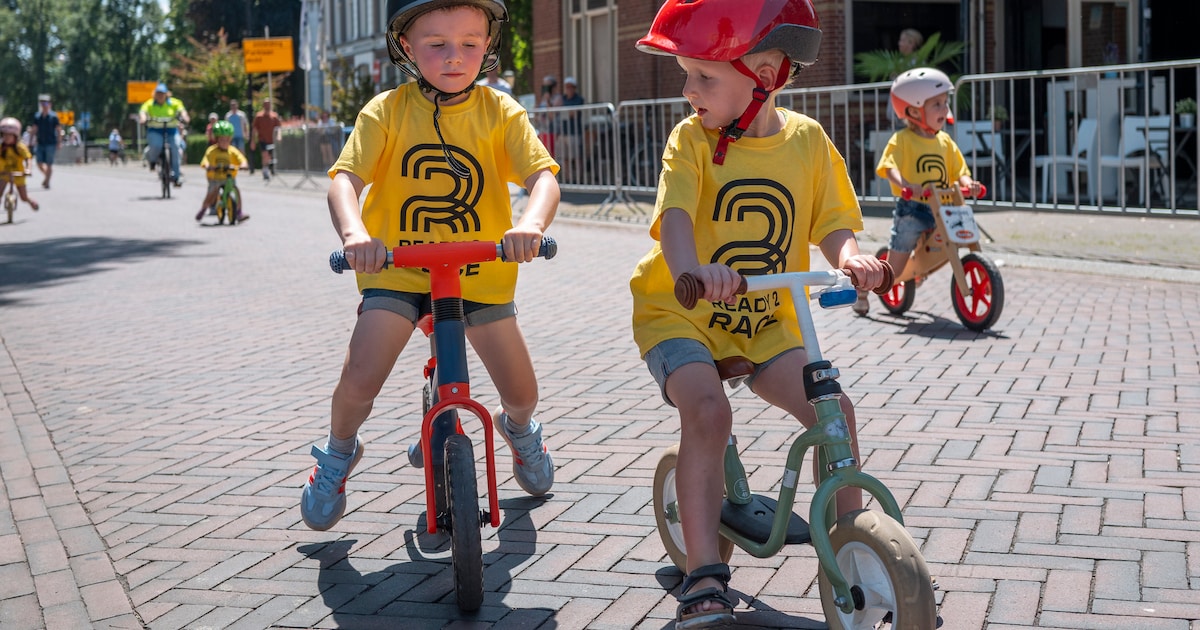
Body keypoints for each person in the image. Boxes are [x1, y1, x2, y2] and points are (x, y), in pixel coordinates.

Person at [629, 1, 891, 627]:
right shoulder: (690, 141)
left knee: (834, 411)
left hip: (767, 319)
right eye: (687, 76)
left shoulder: (808, 142)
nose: (689, 91)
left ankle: (853, 546)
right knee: (708, 411)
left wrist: (852, 259)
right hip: (683, 311)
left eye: (704, 77)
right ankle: (702, 574)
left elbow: (833, 222)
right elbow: (675, 218)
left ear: (765, 76)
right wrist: (694, 271)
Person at [300, 0, 562, 532]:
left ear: (487, 46)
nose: (454, 56)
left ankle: (518, 428)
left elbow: (543, 178)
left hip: (480, 270)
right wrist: (355, 236)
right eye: (436, 44)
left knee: (522, 392)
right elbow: (345, 181)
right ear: (407, 47)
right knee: (360, 375)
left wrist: (531, 225)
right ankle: (339, 450)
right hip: (397, 268)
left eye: (469, 43)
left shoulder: (501, 112)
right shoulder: (385, 111)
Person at [853, 67, 981, 315]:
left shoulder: (945, 142)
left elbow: (959, 170)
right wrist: (905, 185)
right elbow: (889, 166)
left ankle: (919, 270)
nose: (944, 109)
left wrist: (969, 183)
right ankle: (864, 287)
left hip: (945, 208)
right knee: (896, 268)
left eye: (945, 103)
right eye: (937, 104)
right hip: (913, 209)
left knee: (952, 243)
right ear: (913, 111)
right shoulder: (902, 140)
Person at [196, 120, 249, 223]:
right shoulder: (212, 150)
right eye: (221, 139)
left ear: (230, 139)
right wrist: (208, 165)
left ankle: (239, 212)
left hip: (229, 177)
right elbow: (206, 160)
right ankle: (204, 208)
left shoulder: (232, 150)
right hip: (215, 178)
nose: (224, 142)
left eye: (227, 139)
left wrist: (243, 165)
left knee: (236, 190)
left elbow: (241, 158)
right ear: (216, 139)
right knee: (212, 194)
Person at [138, 83, 189, 186]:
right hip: (155, 130)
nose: (160, 96)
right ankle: (152, 161)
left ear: (166, 94)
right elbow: (143, 111)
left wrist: (185, 117)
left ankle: (177, 176)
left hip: (171, 130)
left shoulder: (174, 102)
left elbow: (182, 111)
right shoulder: (150, 103)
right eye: (158, 93)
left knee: (176, 147)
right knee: (156, 145)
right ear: (155, 94)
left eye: (162, 93)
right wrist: (143, 118)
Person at [0, 117, 40, 211]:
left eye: (9, 135)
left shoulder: (20, 147)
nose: (6, 137)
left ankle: (30, 201)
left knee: (23, 196)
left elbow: (28, 158)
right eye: (4, 135)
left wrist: (28, 169)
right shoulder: (1, 147)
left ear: (15, 135)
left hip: (18, 173)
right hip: (4, 173)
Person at [31, 95, 61, 189]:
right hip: (40, 142)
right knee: (39, 163)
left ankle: (47, 181)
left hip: (51, 143)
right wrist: (31, 139)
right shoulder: (37, 116)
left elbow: (59, 130)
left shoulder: (54, 116)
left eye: (46, 103)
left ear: (50, 104)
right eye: (42, 103)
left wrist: (59, 142)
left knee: (49, 163)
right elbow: (34, 129)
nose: (44, 105)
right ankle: (47, 176)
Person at [557, 76, 585, 179]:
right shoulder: (562, 99)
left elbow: (573, 114)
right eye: (566, 87)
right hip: (563, 132)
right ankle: (568, 178)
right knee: (564, 157)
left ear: (574, 88)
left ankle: (579, 178)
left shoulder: (579, 99)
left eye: (570, 87)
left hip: (574, 132)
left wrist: (562, 112)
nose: (568, 89)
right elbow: (556, 112)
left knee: (577, 156)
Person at [250, 100, 282, 181]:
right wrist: (253, 141)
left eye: (268, 105)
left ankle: (270, 168)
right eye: (266, 105)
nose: (267, 106)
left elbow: (278, 128)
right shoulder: (259, 116)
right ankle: (265, 170)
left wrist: (279, 136)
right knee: (265, 155)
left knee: (270, 156)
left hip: (272, 140)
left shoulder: (274, 116)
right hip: (263, 139)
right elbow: (254, 129)